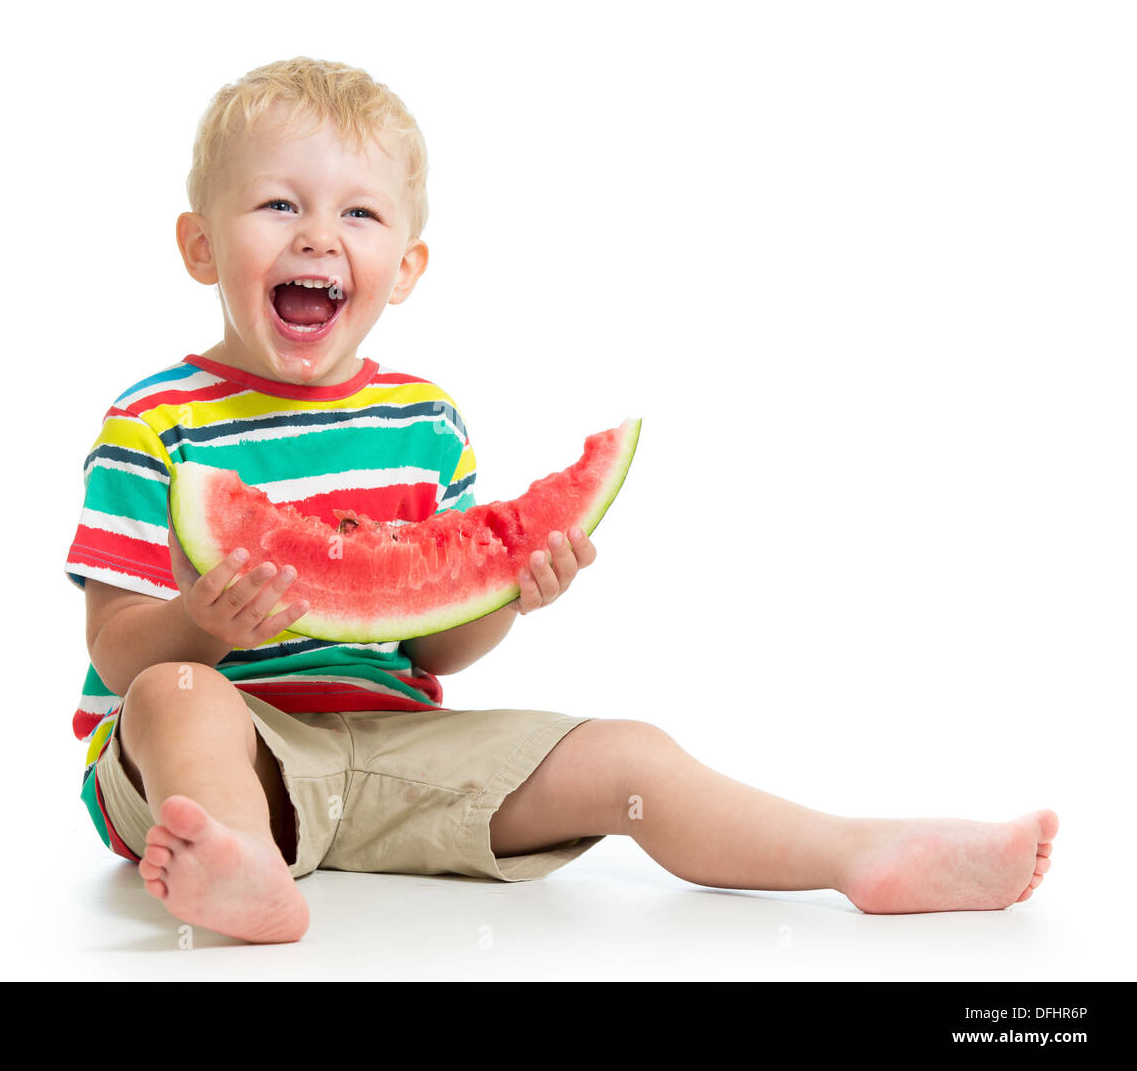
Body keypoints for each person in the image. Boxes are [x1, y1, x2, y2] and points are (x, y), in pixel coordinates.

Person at [65, 57, 1056, 944]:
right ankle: (236, 863)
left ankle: (856, 854)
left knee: (629, 754)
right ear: (200, 244)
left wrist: (505, 591)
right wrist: (197, 627)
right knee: (171, 695)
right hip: (214, 764)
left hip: (393, 752)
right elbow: (116, 646)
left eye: (358, 214)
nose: (319, 235)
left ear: (405, 266)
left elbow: (432, 647)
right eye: (279, 205)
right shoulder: (154, 421)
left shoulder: (422, 420)